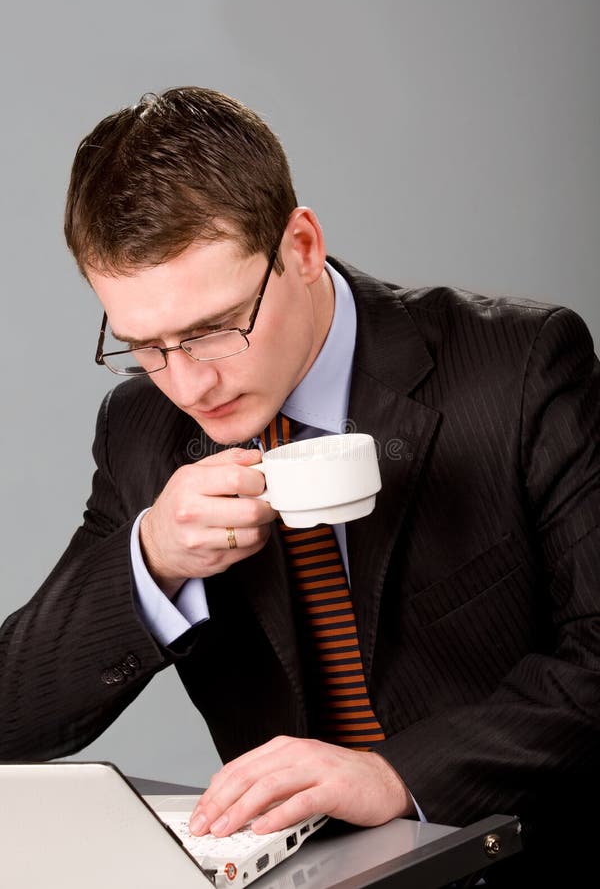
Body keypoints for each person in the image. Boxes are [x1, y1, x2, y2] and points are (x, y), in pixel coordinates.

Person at [1, 86, 598, 883]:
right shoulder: (139, 430)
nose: (188, 384)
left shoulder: (520, 368)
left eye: (215, 328)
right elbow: (12, 717)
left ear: (303, 246)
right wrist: (153, 559)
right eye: (146, 345)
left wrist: (396, 774)